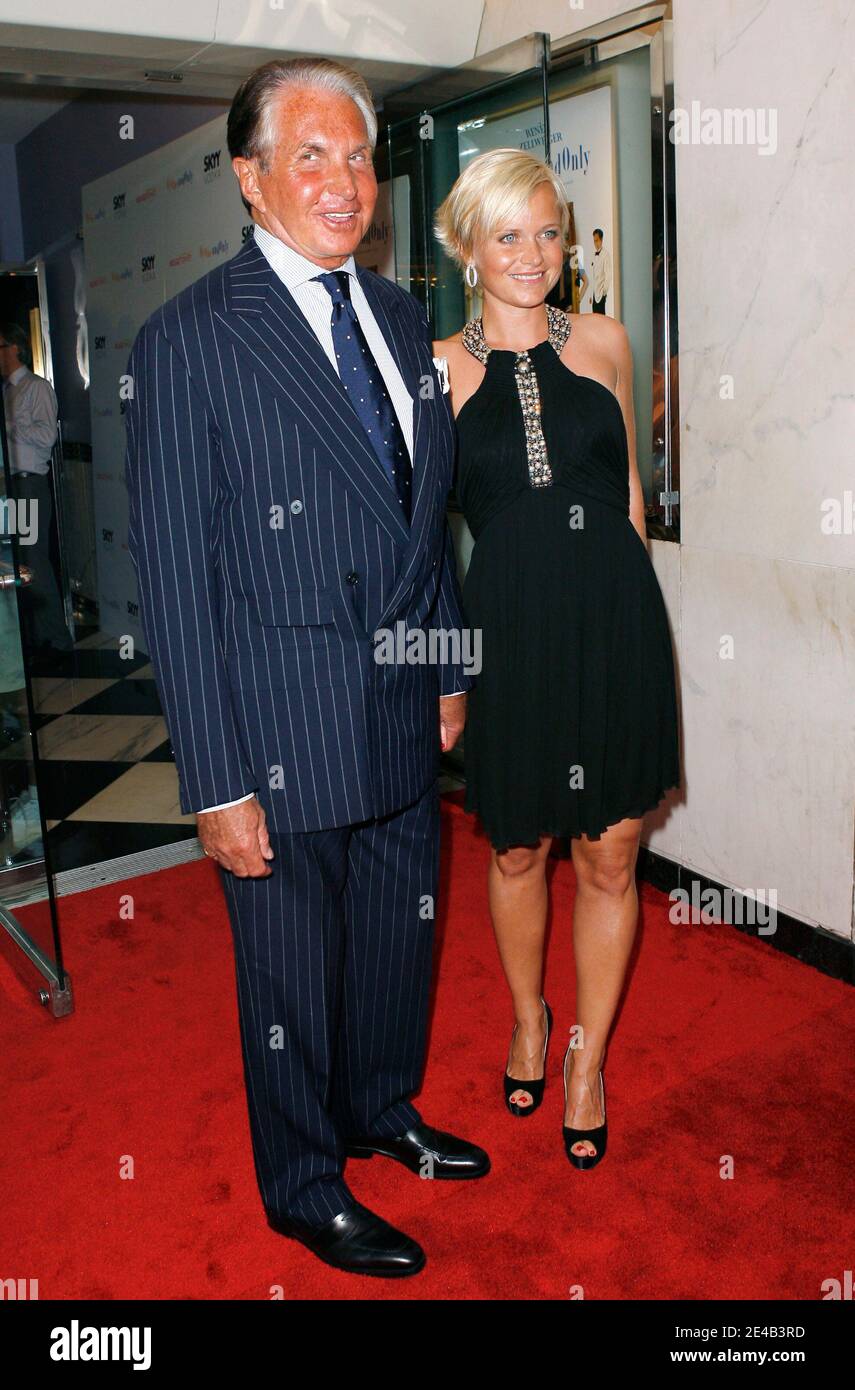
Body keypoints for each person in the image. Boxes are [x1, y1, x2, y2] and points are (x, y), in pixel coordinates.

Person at [124, 57, 488, 1280]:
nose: (344, 182)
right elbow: (175, 577)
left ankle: (380, 1108)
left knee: (397, 942)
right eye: (311, 156)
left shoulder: (392, 314)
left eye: (357, 156)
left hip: (399, 706)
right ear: (251, 179)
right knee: (290, 973)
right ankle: (302, 1183)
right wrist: (215, 783)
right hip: (274, 734)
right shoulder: (188, 340)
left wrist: (444, 669)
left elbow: (418, 518)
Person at [433, 149, 680, 1169]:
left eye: (547, 232)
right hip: (510, 635)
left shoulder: (611, 343)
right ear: (469, 248)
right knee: (519, 847)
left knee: (611, 853)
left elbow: (628, 496)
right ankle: (530, 1018)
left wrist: (631, 616)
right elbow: (419, 546)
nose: (533, 254)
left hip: (613, 622)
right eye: (508, 235)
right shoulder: (438, 367)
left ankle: (585, 1059)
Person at [0, 323, 71, 656]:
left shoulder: (36, 388)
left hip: (29, 484)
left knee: (33, 561)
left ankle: (57, 639)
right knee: (21, 562)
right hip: (11, 486)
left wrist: (12, 425)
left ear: (14, 348)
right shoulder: (8, 391)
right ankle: (36, 636)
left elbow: (47, 437)